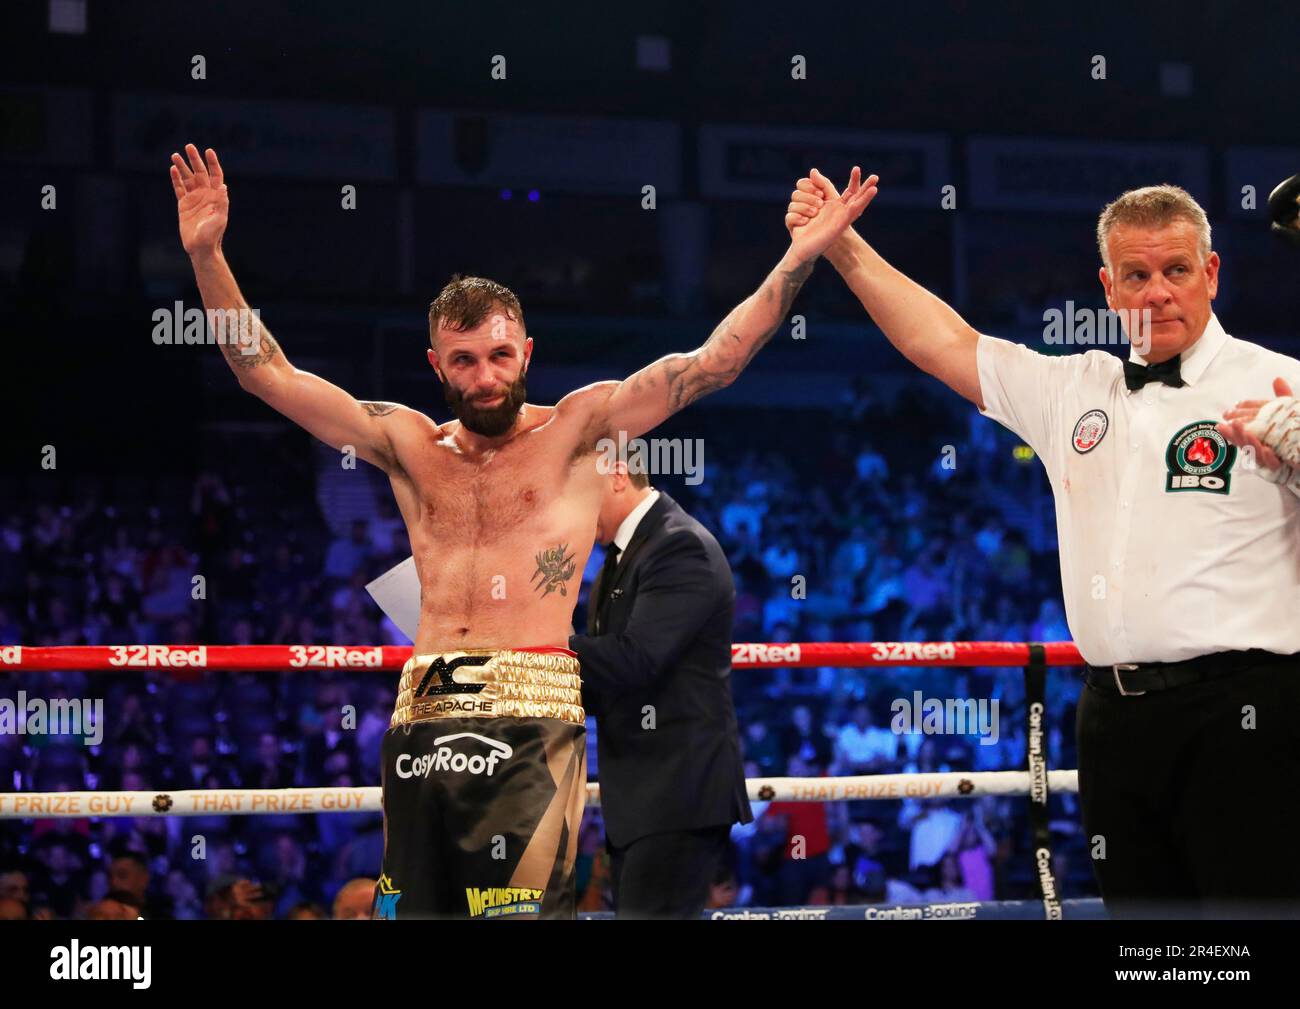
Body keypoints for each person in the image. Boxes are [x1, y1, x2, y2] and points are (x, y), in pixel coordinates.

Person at [170, 143, 873, 920]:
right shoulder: (406, 442)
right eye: (465, 360)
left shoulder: (578, 430)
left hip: (531, 712)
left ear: (527, 352)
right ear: (436, 364)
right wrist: (207, 255)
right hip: (423, 706)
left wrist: (802, 256)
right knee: (408, 915)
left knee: (516, 914)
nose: (486, 376)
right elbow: (264, 372)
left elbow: (715, 362)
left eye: (501, 355)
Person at [789, 170, 1300, 918]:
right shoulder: (1073, 389)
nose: (1158, 293)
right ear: (1108, 288)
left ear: (1211, 273)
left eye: (1177, 270)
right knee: (1152, 950)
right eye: (1137, 276)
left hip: (1247, 713)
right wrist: (842, 247)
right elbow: (942, 341)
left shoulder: (1283, 383)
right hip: (1112, 718)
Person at [569, 457, 751, 918]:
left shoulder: (678, 545)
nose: (567, 510)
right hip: (643, 797)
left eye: (574, 492)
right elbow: (607, 679)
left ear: (616, 475)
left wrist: (535, 645)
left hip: (678, 793)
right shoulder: (620, 558)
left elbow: (638, 659)